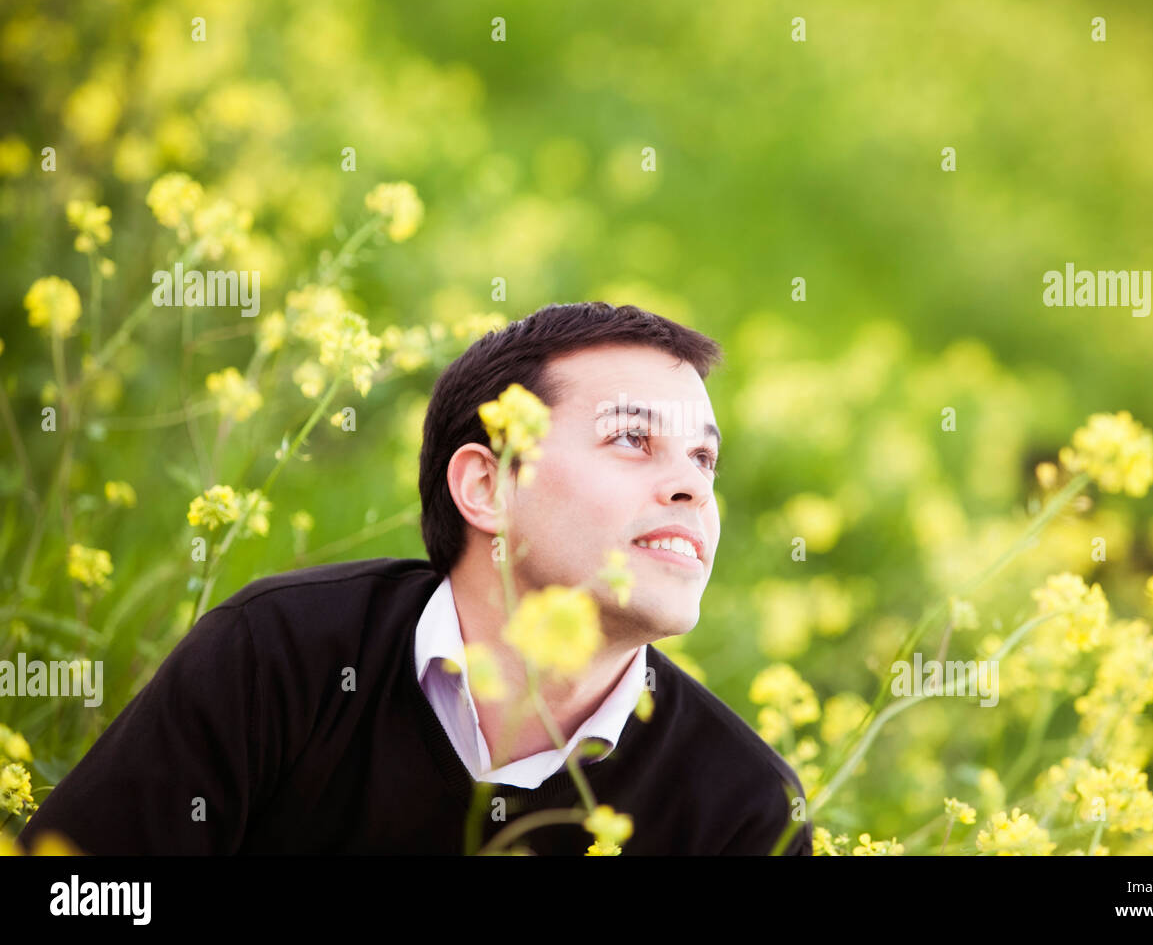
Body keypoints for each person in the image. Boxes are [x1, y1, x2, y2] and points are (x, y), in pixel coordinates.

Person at [19, 301, 813, 855]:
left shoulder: (744, 813)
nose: (692, 488)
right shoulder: (280, 657)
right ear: (486, 486)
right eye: (633, 440)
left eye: (704, 458)